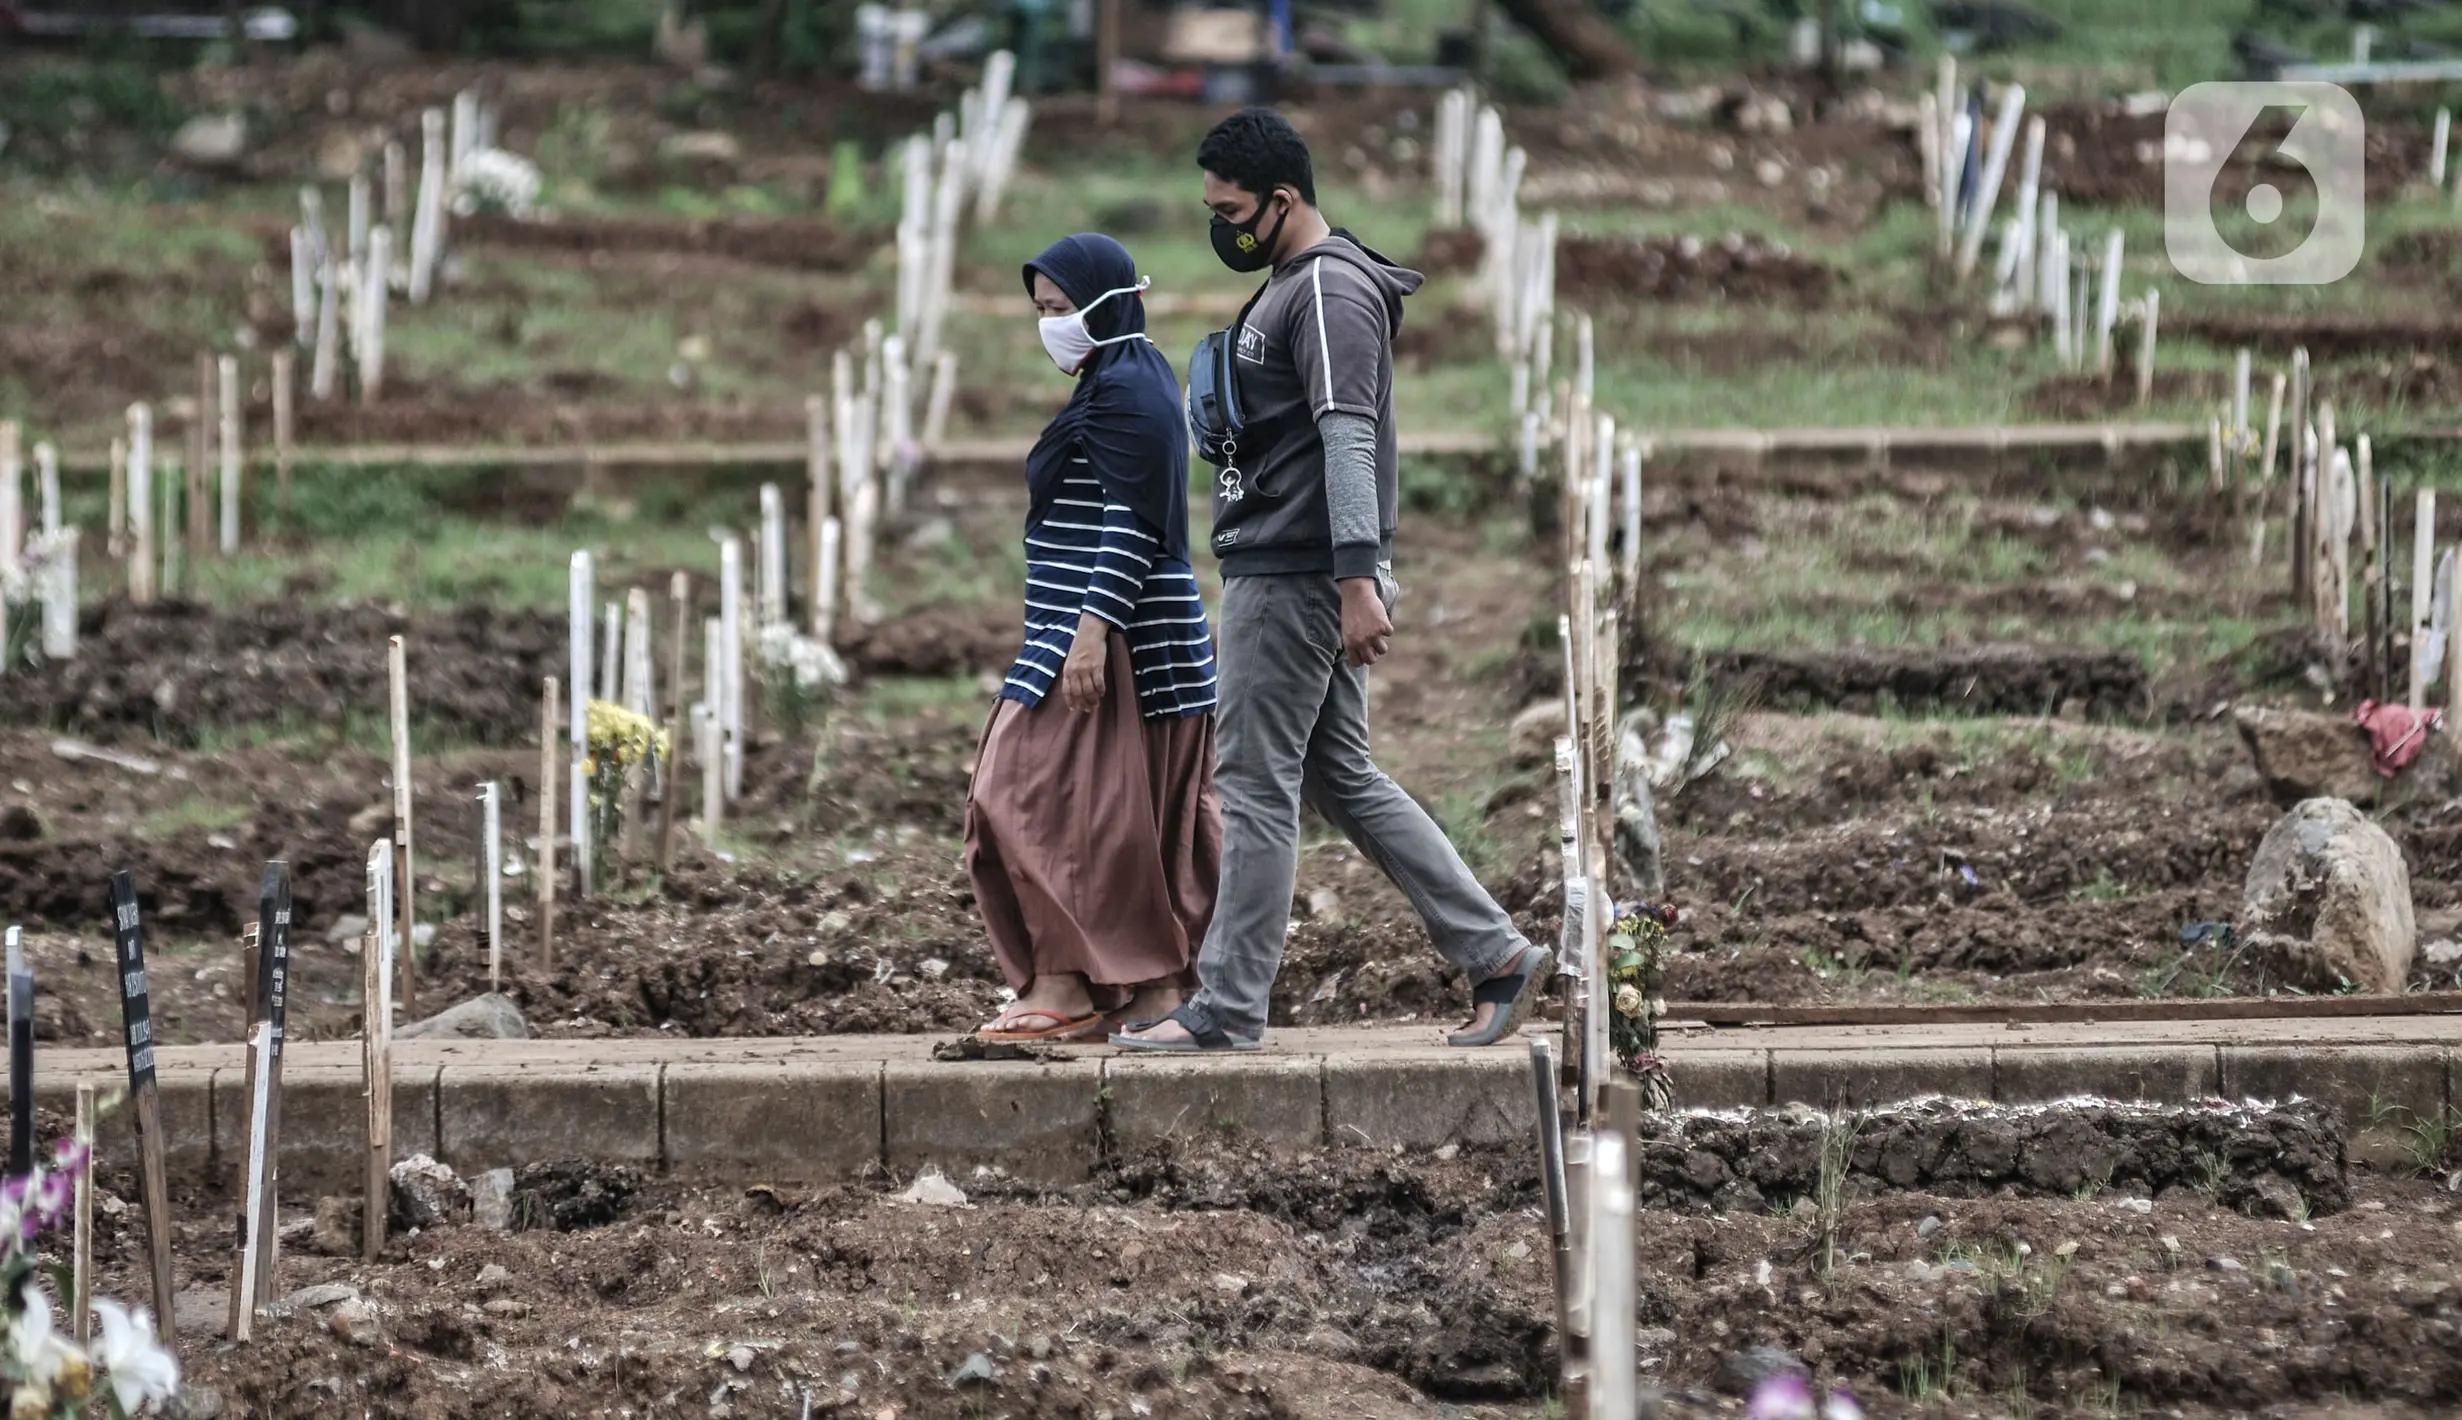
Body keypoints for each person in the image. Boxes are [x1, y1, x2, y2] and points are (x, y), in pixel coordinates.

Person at [1114, 109, 1550, 1054]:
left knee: (1254, 785)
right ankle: (1499, 955)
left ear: (1282, 200)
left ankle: (1227, 1008)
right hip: (1297, 562)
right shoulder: (1295, 283)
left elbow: (1349, 435)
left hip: (1297, 569)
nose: (1220, 227)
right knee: (1339, 776)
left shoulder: (1327, 293)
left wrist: (1358, 580)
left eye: (1230, 210)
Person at [963, 233, 1223, 1042]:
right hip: (1083, 631)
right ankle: (1131, 988)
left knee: (1024, 798)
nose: (1051, 326)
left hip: (1114, 641)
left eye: (1063, 308)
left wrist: (1090, 633)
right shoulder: (1112, 383)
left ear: (1110, 303)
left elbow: (1131, 524)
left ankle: (1075, 983)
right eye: (1041, 311)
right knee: (1106, 821)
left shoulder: (1132, 394)